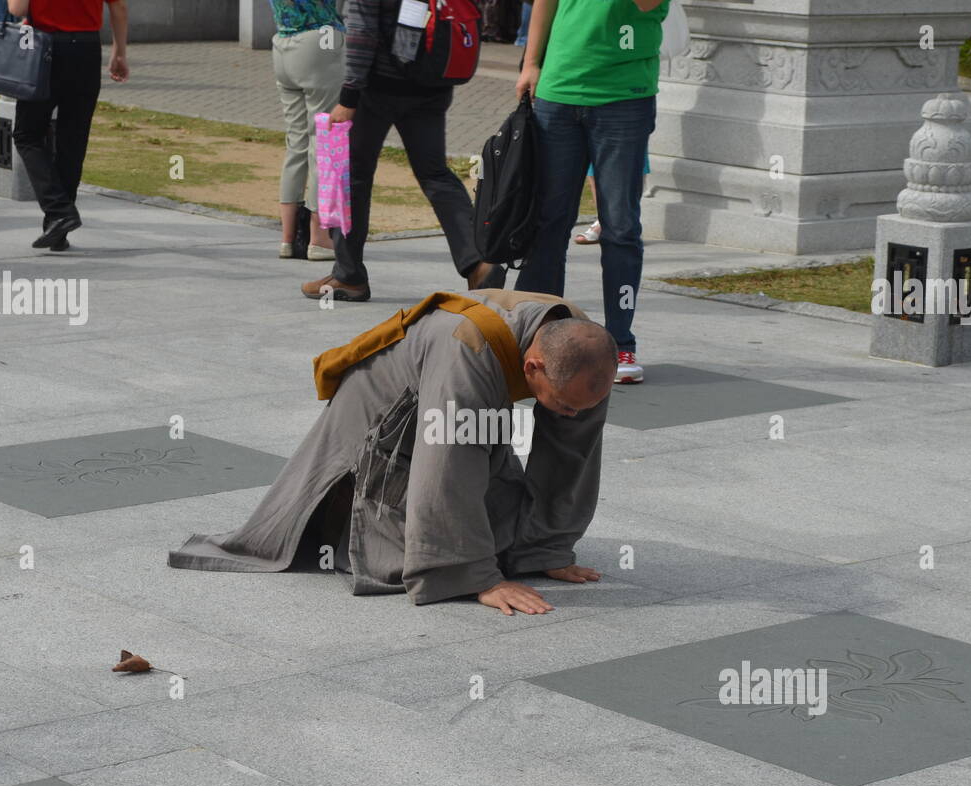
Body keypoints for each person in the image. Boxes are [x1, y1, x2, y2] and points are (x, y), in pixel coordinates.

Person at [170, 289, 614, 616]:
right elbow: (448, 469)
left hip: (462, 398)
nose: (572, 415)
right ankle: (436, 556)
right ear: (533, 366)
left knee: (504, 506)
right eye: (563, 404)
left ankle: (524, 548)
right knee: (407, 536)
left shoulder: (583, 349)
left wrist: (549, 549)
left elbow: (574, 453)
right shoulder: (469, 348)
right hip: (385, 411)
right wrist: (478, 577)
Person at [301, 0, 505, 303]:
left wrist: (348, 97)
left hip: (380, 87)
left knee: (353, 177)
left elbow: (362, 32)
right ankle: (478, 262)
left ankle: (348, 275)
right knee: (435, 174)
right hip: (432, 85)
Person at [514, 0, 667, 384]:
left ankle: (620, 342)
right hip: (558, 88)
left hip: (624, 96)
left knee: (620, 227)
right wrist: (531, 63)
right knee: (548, 222)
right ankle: (536, 335)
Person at [7, 0, 129, 251]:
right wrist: (119, 52)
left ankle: (59, 211)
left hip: (45, 47)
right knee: (73, 138)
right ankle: (58, 227)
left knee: (27, 134)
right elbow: (119, 8)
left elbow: (17, 9)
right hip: (86, 48)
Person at [270, 0, 344, 262]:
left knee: (296, 142)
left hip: (283, 42)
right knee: (324, 140)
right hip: (320, 39)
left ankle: (288, 239)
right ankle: (319, 238)